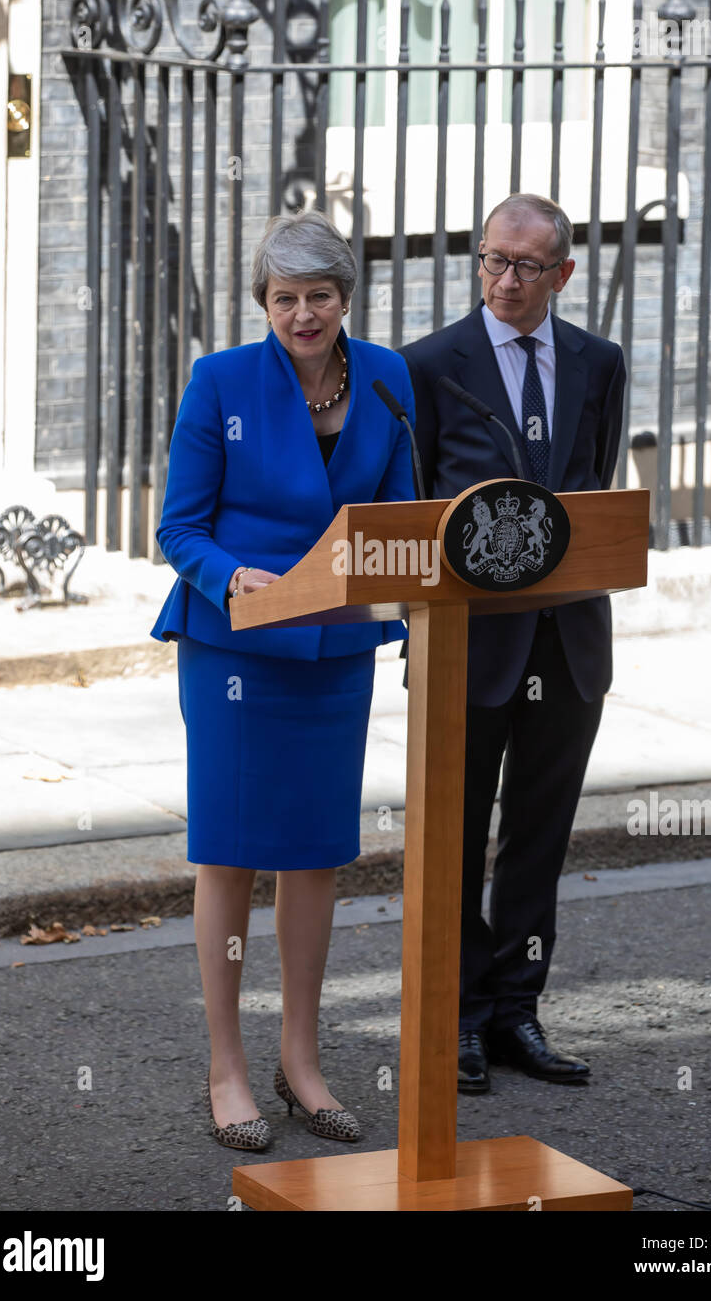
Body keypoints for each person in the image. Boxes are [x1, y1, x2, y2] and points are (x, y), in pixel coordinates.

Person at [150, 210, 417, 1149]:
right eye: (284, 298)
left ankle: (300, 1062)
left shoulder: (386, 379)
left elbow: (403, 515)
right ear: (263, 302)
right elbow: (178, 527)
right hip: (235, 649)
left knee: (314, 854)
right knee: (228, 853)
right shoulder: (218, 380)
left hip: (337, 647)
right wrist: (229, 575)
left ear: (347, 298)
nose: (303, 314)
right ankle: (228, 1066)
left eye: (320, 296)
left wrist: (412, 603)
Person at [400, 193, 626, 1094]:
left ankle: (515, 1012)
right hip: (468, 643)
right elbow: (415, 506)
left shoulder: (597, 362)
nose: (503, 280)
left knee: (540, 836)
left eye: (526, 266)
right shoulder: (428, 365)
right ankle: (454, 1013)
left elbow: (592, 489)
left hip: (568, 641)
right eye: (492, 259)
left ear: (562, 274)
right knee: (452, 836)